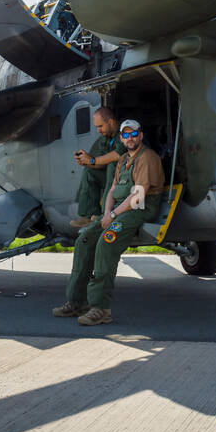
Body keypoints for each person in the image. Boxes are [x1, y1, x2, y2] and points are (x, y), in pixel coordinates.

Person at [55, 119, 166, 325]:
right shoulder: (123, 160)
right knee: (85, 239)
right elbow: (113, 190)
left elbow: (138, 196)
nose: (130, 138)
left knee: (107, 242)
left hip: (139, 209)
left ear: (141, 136)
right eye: (125, 135)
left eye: (134, 134)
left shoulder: (147, 158)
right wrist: (106, 212)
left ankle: (100, 308)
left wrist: (112, 216)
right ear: (122, 138)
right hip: (120, 209)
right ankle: (77, 302)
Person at [70, 106, 126, 227]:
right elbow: (100, 163)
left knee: (112, 166)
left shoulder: (125, 132)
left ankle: (104, 214)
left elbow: (118, 154)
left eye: (100, 126)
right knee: (90, 172)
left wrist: (92, 160)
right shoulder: (105, 139)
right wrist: (88, 162)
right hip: (118, 179)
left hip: (132, 178)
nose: (98, 130)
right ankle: (88, 215)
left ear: (110, 122)